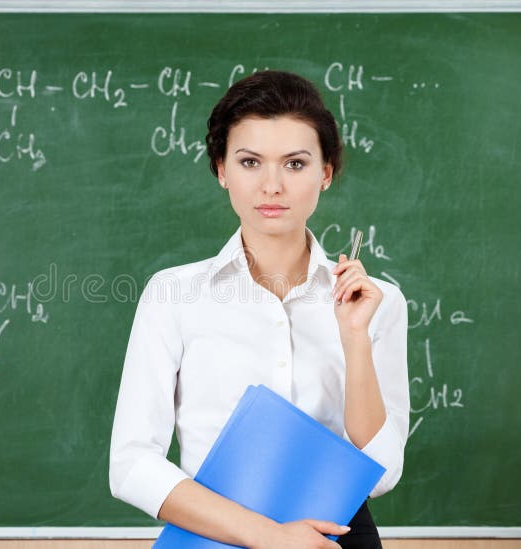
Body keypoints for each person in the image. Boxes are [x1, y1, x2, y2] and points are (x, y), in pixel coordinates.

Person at [109, 70, 409, 549]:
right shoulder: (172, 295)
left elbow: (382, 473)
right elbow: (130, 466)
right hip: (213, 535)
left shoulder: (377, 303)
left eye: (295, 163)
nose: (272, 185)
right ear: (222, 170)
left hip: (334, 538)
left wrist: (354, 339)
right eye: (250, 162)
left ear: (325, 173)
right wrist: (269, 536)